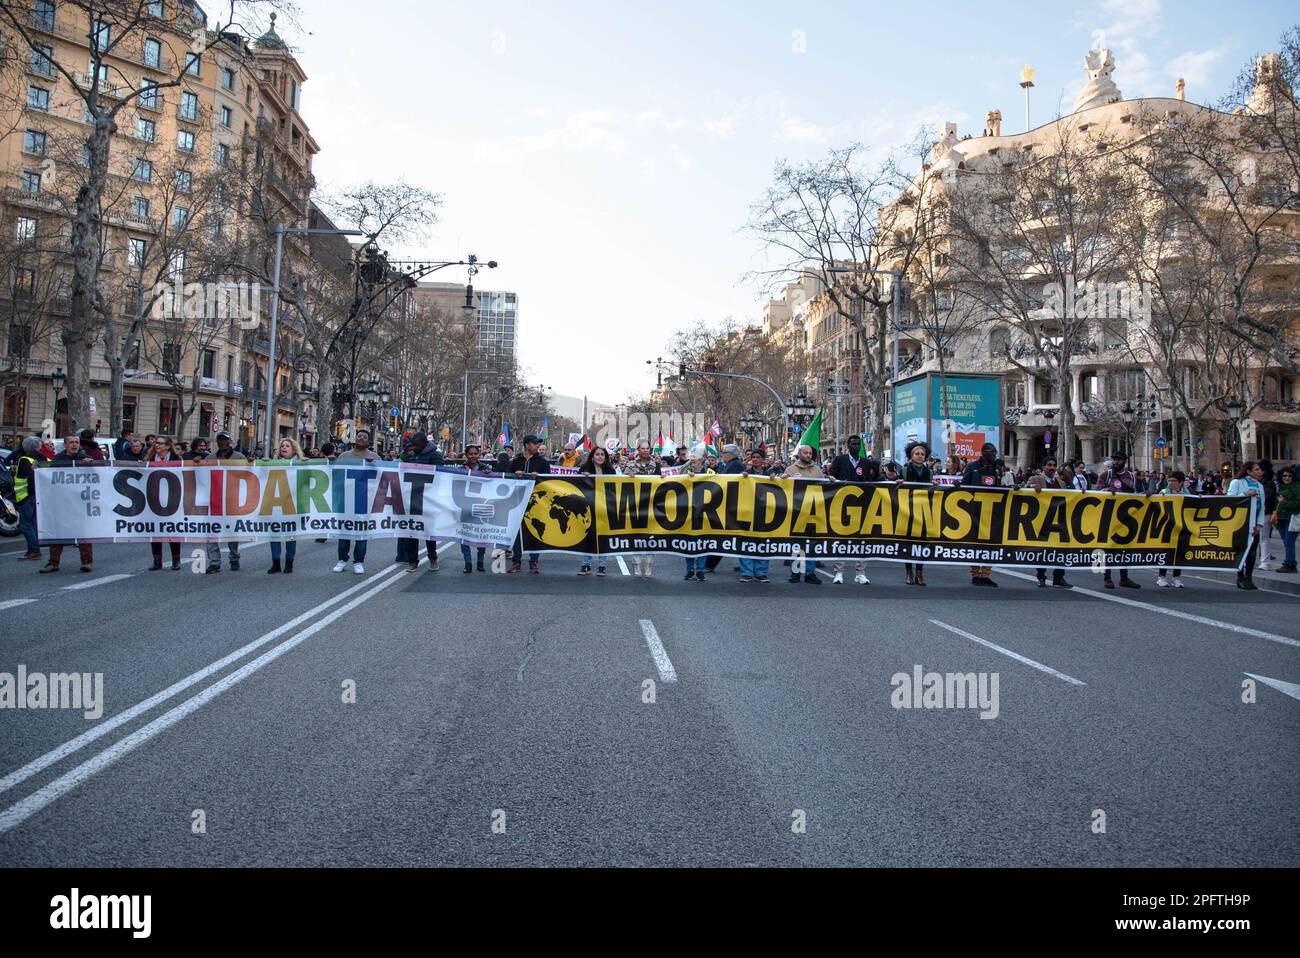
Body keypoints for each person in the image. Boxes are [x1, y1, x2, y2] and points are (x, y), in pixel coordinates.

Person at [826, 436, 877, 585]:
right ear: (848, 446)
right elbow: (831, 476)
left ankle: (860, 572)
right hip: (843, 506)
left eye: (858, 444)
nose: (856, 446)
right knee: (842, 539)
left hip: (862, 506)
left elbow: (875, 480)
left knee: (861, 540)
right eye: (853, 444)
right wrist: (831, 479)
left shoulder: (866, 463)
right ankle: (839, 572)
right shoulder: (840, 460)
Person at [39, 436, 94, 573]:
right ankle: (53, 562)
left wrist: (92, 464)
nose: (74, 445)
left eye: (76, 442)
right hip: (61, 503)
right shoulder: (58, 459)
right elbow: (48, 474)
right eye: (71, 443)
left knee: (83, 533)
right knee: (57, 533)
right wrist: (37, 468)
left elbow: (97, 475)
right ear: (65, 445)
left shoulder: (85, 458)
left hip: (80, 503)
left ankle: (87, 562)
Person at [333, 429, 379, 574]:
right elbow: (335, 474)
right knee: (344, 531)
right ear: (355, 438)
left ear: (368, 441)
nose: (361, 438)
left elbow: (382, 478)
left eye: (365, 437)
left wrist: (374, 465)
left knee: (361, 532)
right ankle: (342, 559)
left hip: (364, 501)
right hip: (346, 500)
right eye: (359, 436)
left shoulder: (375, 457)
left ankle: (358, 561)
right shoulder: (344, 456)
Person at [1094, 450, 1140, 589]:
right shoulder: (1106, 474)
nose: (1115, 462)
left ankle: (1124, 578)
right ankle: (1107, 578)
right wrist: (1107, 491)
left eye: (1118, 460)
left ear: (1124, 461)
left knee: (1124, 547)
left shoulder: (1130, 476)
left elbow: (1135, 494)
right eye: (1114, 459)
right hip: (1108, 516)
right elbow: (1096, 492)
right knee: (1108, 547)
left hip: (1125, 517)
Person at [397, 432, 443, 571]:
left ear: (424, 443)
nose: (414, 448)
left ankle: (432, 558)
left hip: (429, 499)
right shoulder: (412, 455)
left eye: (416, 445)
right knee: (412, 531)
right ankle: (412, 561)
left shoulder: (435, 455)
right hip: (413, 498)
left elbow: (440, 475)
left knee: (429, 531)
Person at [959, 443, 1002, 587]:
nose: (994, 454)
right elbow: (965, 484)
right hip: (975, 511)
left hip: (992, 511)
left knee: (990, 545)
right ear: (983, 452)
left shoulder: (997, 468)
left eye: (995, 452)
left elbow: (1000, 487)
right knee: (976, 544)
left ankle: (986, 575)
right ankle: (975, 574)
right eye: (992, 451)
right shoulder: (972, 467)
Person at [508, 434, 551, 573]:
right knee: (517, 531)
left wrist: (538, 477)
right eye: (534, 443)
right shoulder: (516, 461)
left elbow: (550, 482)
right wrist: (515, 475)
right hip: (518, 500)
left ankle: (534, 561)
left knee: (535, 531)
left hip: (536, 502)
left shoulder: (543, 462)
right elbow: (505, 478)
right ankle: (516, 561)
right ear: (526, 445)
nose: (537, 446)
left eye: (538, 444)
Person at [1028, 456, 1072, 589]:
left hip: (1059, 521)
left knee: (1061, 549)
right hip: (1042, 520)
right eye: (1049, 465)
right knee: (1043, 549)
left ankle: (1058, 577)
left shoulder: (1061, 483)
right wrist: (1031, 487)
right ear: (1043, 467)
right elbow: (1023, 491)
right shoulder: (1035, 479)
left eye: (1054, 465)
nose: (1052, 468)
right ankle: (1041, 576)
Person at [784, 444, 823, 584]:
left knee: (812, 544)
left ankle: (809, 573)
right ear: (799, 454)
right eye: (805, 452)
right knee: (797, 544)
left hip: (813, 513)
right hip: (796, 511)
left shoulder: (818, 471)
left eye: (810, 453)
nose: (808, 455)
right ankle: (795, 572)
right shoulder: (790, 470)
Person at [622, 440, 662, 577]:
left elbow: (666, 479)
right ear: (638, 449)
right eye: (642, 448)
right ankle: (637, 565)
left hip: (652, 505)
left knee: (652, 536)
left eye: (647, 448)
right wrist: (628, 477)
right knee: (636, 535)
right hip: (636, 505)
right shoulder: (631, 464)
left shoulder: (656, 464)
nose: (645, 450)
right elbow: (621, 482)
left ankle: (649, 565)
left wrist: (662, 475)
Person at [267, 438, 306, 574]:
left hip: (293, 504)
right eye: (282, 445)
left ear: (294, 449)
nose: (284, 448)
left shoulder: (302, 463)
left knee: (290, 535)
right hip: (275, 504)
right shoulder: (273, 463)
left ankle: (289, 563)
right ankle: (275, 563)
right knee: (275, 534)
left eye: (287, 446)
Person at [1228, 461, 1267, 590]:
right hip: (1240, 522)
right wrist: (1245, 494)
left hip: (1254, 522)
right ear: (1248, 471)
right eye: (1256, 469)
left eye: (1260, 469)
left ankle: (1249, 577)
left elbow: (1262, 507)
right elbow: (1230, 500)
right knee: (1241, 550)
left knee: (1252, 551)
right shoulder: (1237, 483)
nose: (1259, 472)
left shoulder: (1260, 486)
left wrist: (1260, 524)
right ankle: (1240, 577)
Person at [578, 445, 616, 577]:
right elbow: (576, 486)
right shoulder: (584, 469)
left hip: (605, 507)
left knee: (603, 536)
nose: (600, 457)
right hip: (588, 507)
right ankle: (585, 564)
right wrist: (583, 477)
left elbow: (615, 488)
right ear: (592, 457)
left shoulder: (611, 470)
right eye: (597, 454)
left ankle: (602, 566)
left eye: (602, 455)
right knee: (589, 536)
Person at [147, 436, 183, 571]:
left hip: (172, 499)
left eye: (160, 443)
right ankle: (157, 561)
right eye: (156, 443)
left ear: (168, 446)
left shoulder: (176, 459)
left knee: (172, 530)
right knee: (155, 530)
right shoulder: (150, 459)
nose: (157, 445)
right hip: (154, 499)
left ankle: (176, 560)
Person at [901, 441, 931, 586]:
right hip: (909, 510)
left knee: (922, 542)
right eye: (917, 454)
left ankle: (919, 572)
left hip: (924, 510)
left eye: (922, 454)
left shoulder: (929, 472)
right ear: (911, 456)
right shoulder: (905, 470)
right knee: (909, 542)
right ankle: (909, 571)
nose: (920, 456)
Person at [458, 444, 491, 574]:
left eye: (475, 453)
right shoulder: (460, 469)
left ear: (479, 455)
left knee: (481, 535)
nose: (473, 456)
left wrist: (490, 474)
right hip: (465, 506)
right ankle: (468, 563)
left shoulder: (486, 468)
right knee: (464, 535)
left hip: (481, 506)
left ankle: (480, 561)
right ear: (466, 455)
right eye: (470, 454)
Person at [1155, 470, 1191, 588]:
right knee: (1166, 552)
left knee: (1179, 553)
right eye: (1169, 480)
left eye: (1174, 480)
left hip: (1181, 527)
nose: (1170, 482)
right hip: (1167, 527)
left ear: (1180, 482)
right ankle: (1161, 577)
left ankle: (1177, 578)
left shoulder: (1187, 493)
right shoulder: (1164, 492)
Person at [12, 436, 43, 560]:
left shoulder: (24, 460)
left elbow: (29, 479)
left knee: (25, 524)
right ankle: (33, 550)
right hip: (38, 495)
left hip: (26, 496)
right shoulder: (43, 458)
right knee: (33, 524)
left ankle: (34, 550)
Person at [1273, 466, 1299, 574]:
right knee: (1286, 542)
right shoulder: (1279, 487)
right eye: (1285, 475)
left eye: (1289, 475)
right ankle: (1291, 563)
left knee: (1289, 541)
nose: (1287, 477)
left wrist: (1284, 502)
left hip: (1292, 518)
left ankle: (1289, 564)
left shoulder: (1297, 487)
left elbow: (1298, 503)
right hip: (1281, 519)